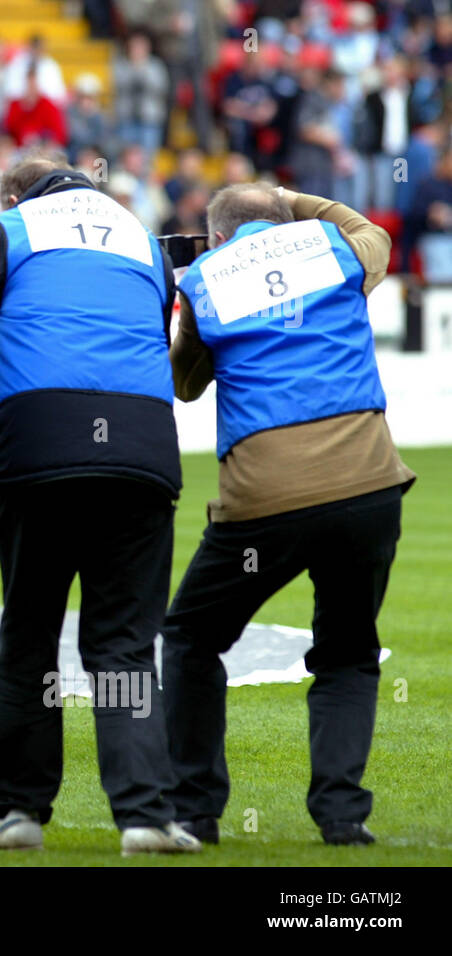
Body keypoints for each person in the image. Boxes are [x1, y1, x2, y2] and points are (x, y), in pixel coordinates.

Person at [0, 156, 202, 856]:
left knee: (29, 635)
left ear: (14, 192)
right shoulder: (143, 240)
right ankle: (145, 816)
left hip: (38, 444)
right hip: (141, 448)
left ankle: (21, 810)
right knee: (124, 644)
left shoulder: (9, 227)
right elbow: (153, 332)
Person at [165, 183, 415, 846]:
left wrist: (188, 301)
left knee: (190, 640)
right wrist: (288, 198)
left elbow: (185, 385)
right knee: (348, 653)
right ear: (287, 217)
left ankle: (194, 810)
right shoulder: (335, 249)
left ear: (218, 237)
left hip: (264, 498)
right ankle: (341, 817)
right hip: (367, 486)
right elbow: (377, 234)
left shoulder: (206, 278)